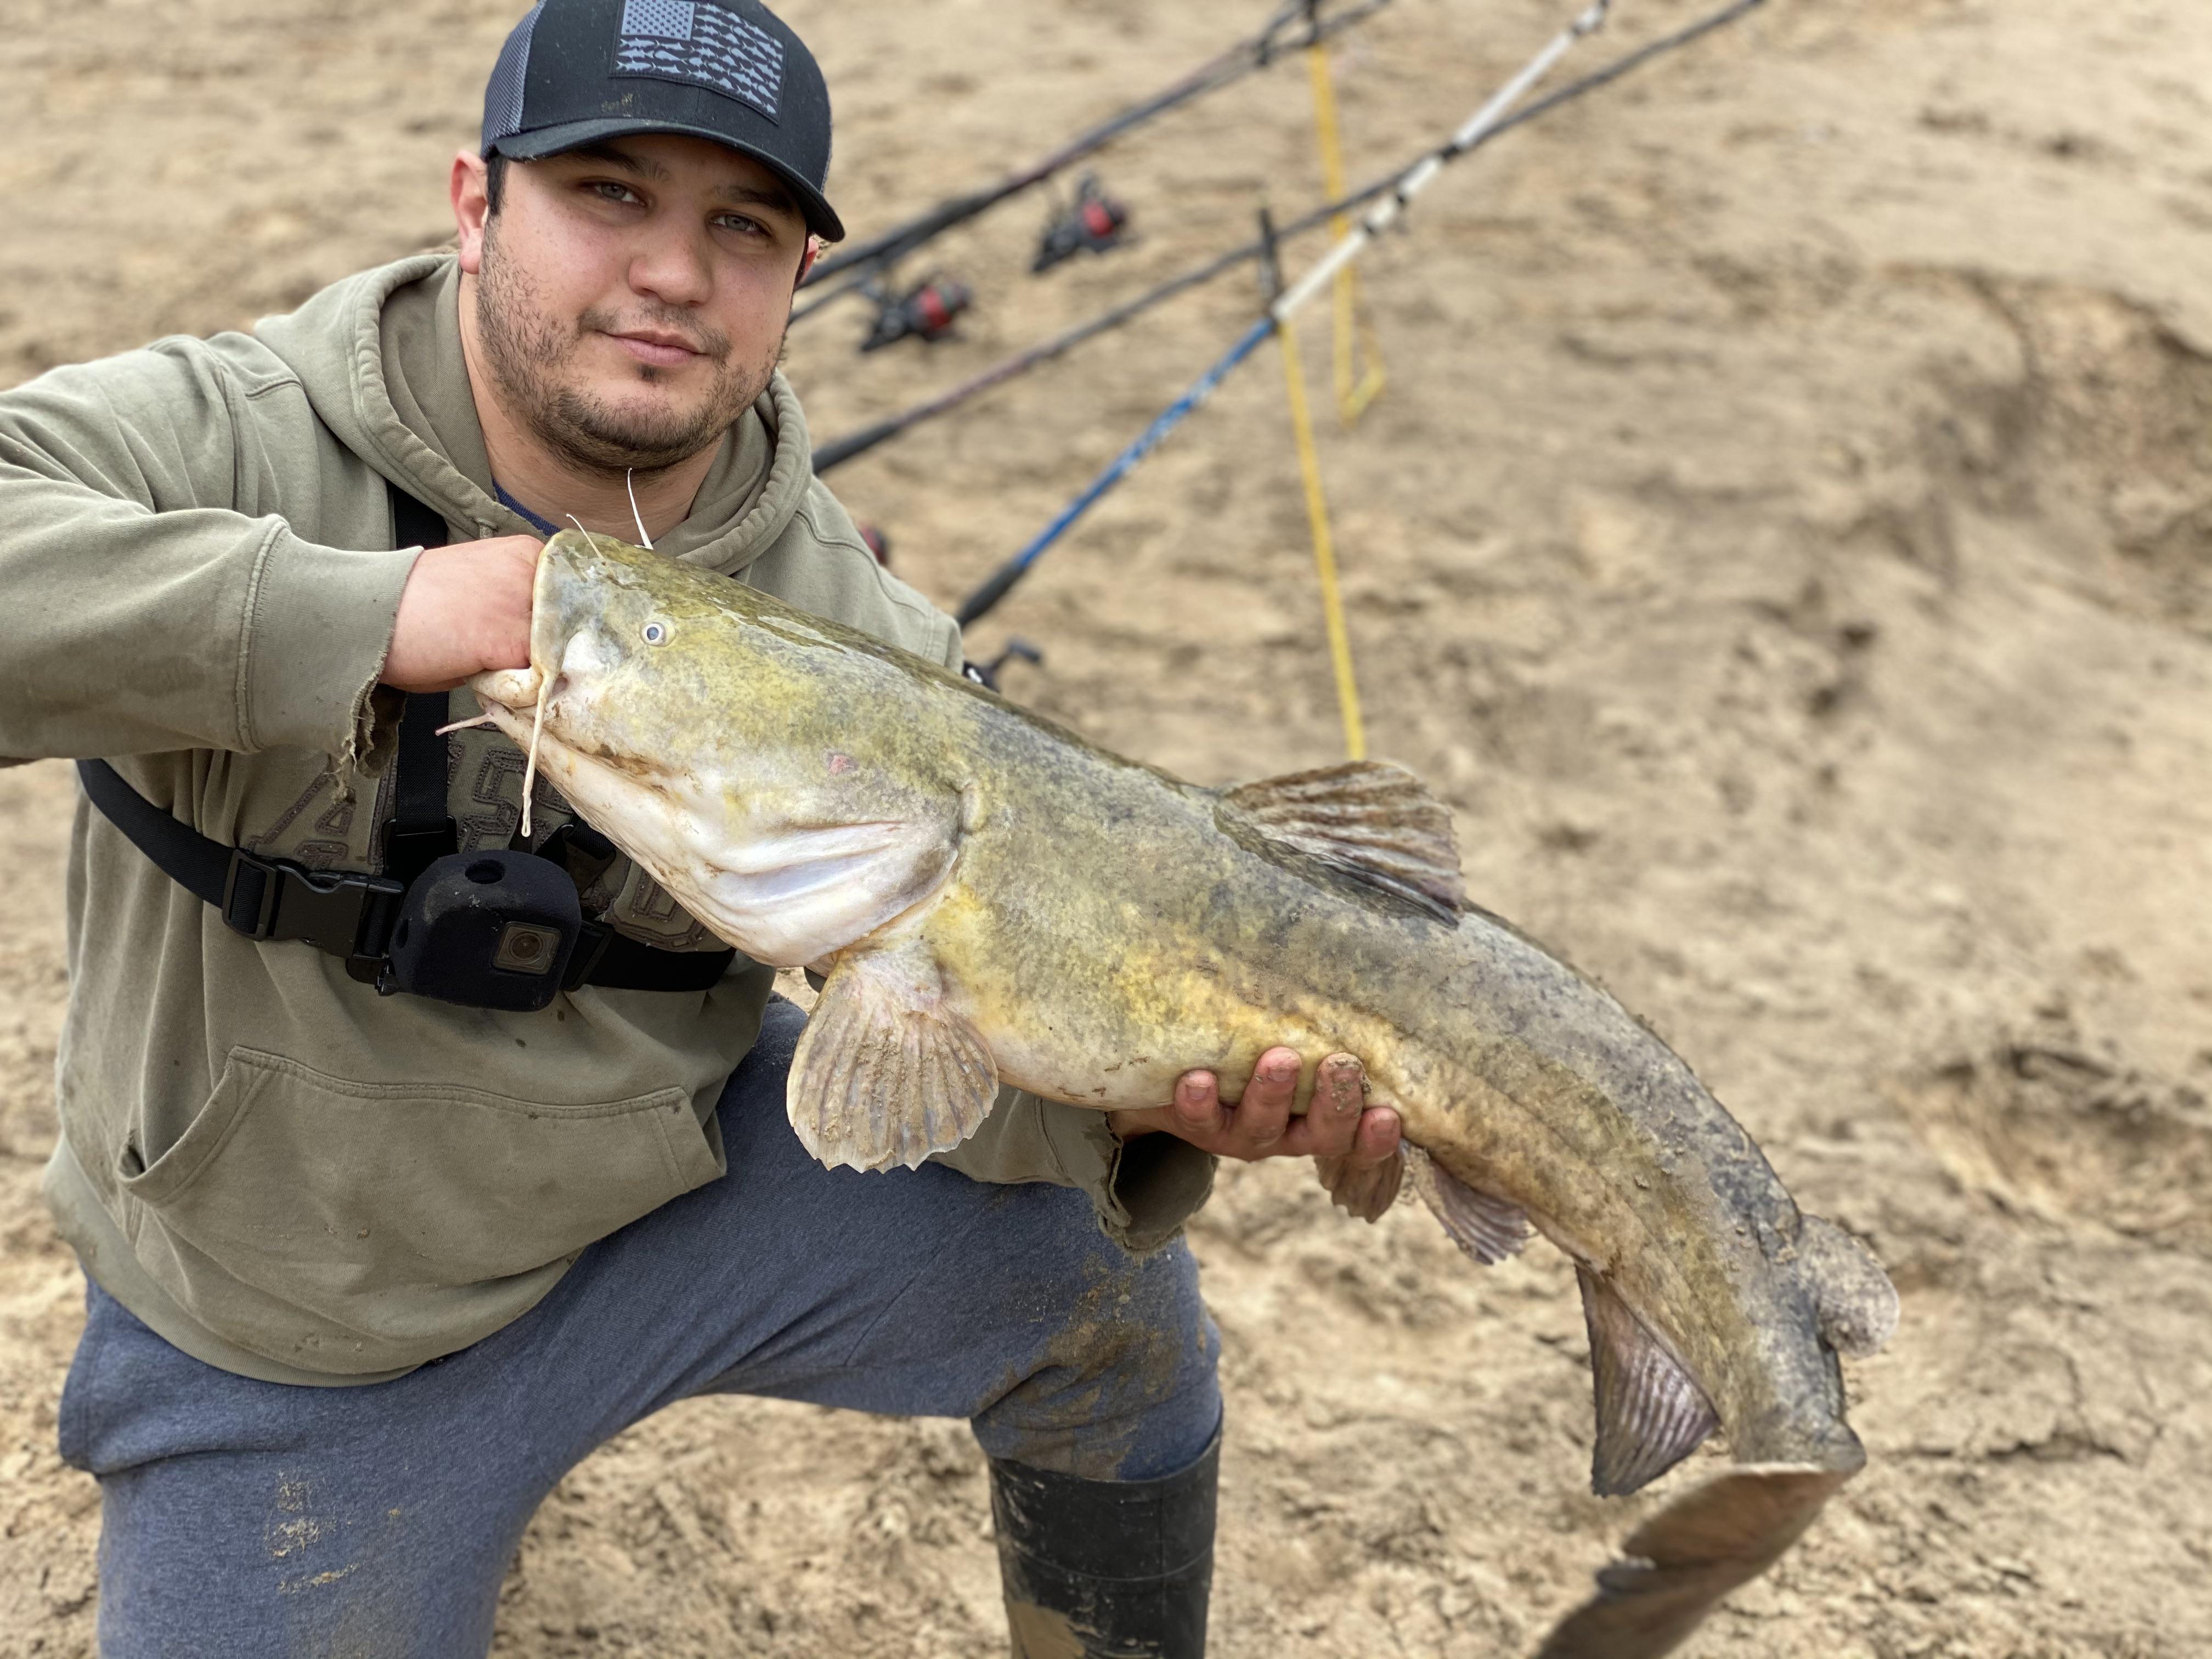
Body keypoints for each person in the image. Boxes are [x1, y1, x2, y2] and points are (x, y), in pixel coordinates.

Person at [0, 1, 1403, 1653]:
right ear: (472, 201)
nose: (674, 271)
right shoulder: (231, 435)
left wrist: (1172, 1106)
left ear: (799, 276)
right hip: (298, 1345)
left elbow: (959, 1081)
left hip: (664, 1220)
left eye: (744, 225)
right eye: (609, 192)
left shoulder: (860, 627)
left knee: (1104, 1286)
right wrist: (374, 615)